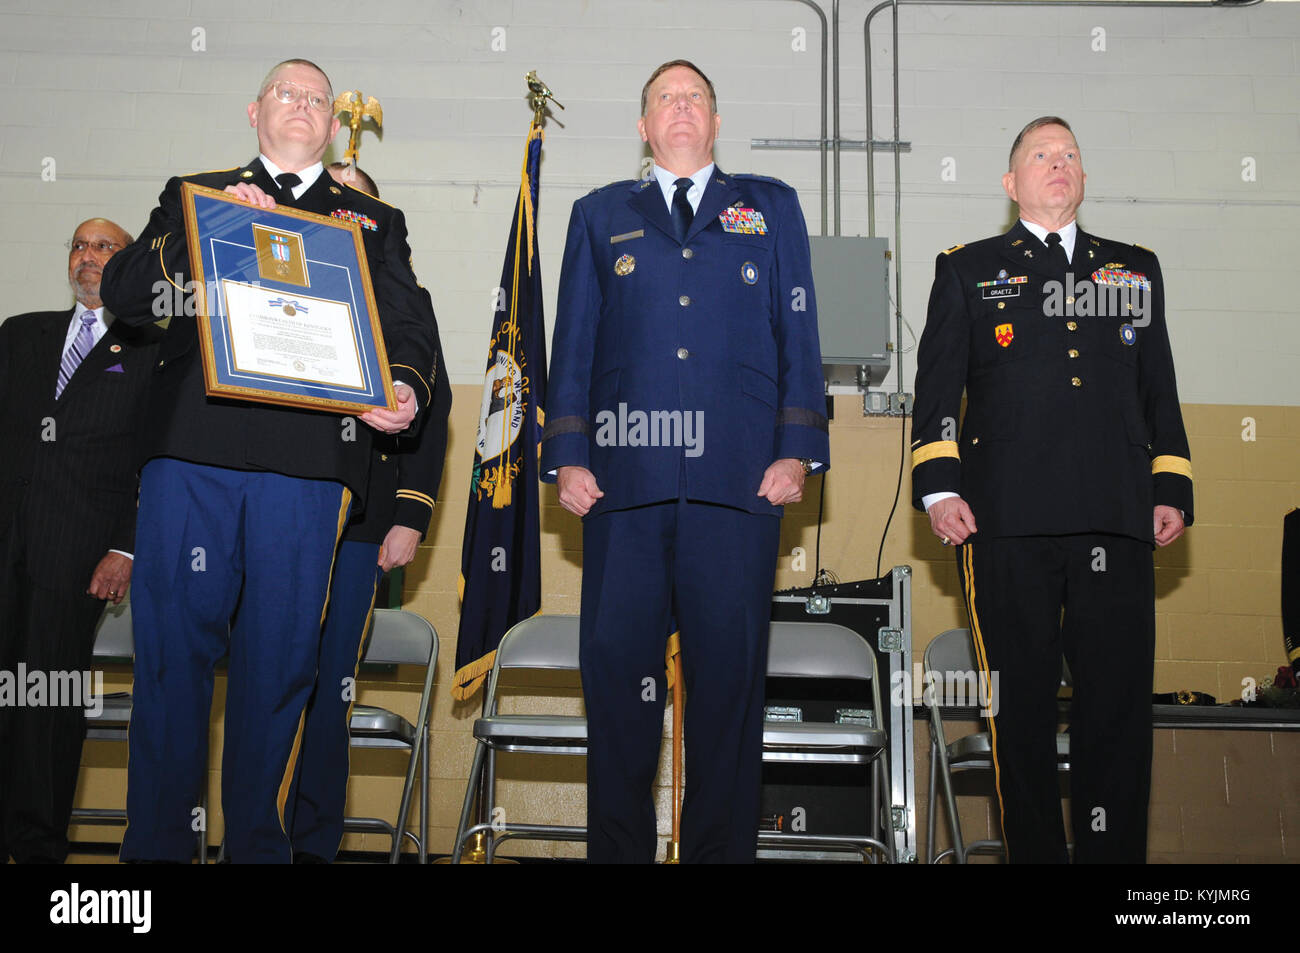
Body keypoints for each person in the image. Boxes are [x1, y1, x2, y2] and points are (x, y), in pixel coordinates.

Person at [99, 58, 440, 863]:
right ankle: (153, 858)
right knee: (173, 662)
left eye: (317, 99)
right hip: (193, 455)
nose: (303, 106)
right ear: (255, 111)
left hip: (311, 468)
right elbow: (125, 294)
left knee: (282, 667)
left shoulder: (370, 218)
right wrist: (196, 231)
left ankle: (257, 848)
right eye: (287, 92)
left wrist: (406, 386)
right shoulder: (195, 191)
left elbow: (411, 324)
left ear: (330, 124)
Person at [540, 59, 829, 864]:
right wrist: (567, 453)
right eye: (665, 98)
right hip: (622, 488)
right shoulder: (600, 215)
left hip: (737, 485)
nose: (681, 108)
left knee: (728, 699)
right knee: (618, 693)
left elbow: (798, 334)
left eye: (695, 97)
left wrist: (798, 447)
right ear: (643, 125)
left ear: (715, 120)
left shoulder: (769, 208)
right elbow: (575, 345)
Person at [911, 116, 1193, 863]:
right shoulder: (968, 269)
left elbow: (1158, 388)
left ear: (1084, 178)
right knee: (1022, 713)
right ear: (1012, 183)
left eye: (1069, 154)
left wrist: (1171, 483)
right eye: (1041, 154)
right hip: (1007, 524)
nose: (1057, 163)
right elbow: (937, 387)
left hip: (1116, 517)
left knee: (1117, 712)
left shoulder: (1133, 271)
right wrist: (939, 486)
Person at [284, 162, 452, 864]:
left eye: (354, 199)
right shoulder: (276, 282)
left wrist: (409, 516)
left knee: (331, 686)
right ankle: (254, 838)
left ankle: (312, 845)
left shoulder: (406, 301)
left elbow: (432, 413)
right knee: (271, 677)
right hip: (279, 508)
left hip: (360, 523)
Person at [0, 218, 161, 863]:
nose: (86, 256)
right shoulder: (20, 332)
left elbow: (155, 459)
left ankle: (36, 847)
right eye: (78, 244)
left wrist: (126, 546)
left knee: (46, 699)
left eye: (103, 247)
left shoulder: (154, 350)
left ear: (126, 266)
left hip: (75, 551)